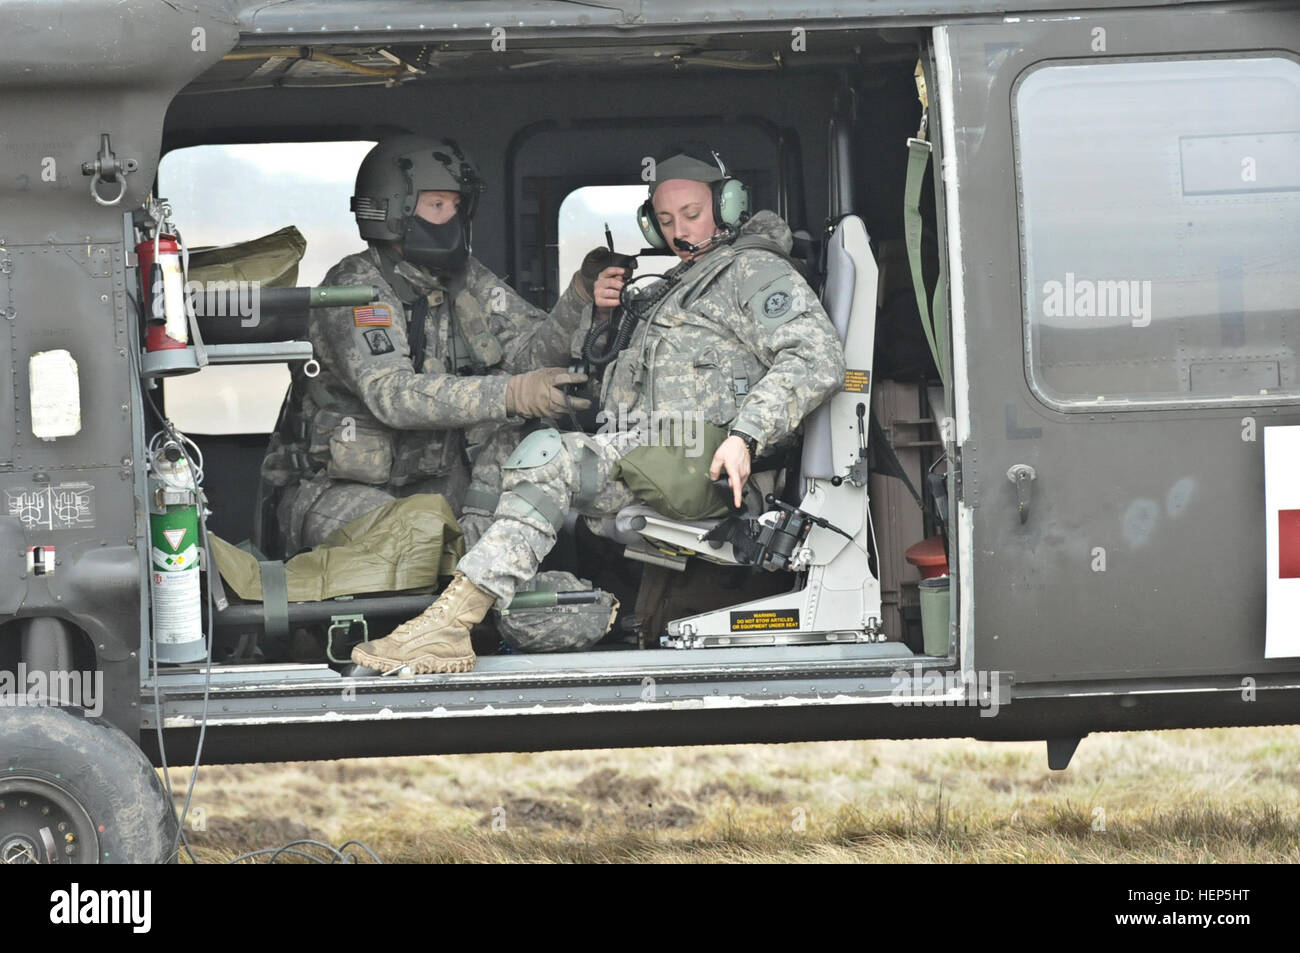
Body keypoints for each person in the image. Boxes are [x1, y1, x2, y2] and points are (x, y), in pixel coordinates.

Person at [351, 146, 847, 674]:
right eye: (666, 220)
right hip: (656, 452)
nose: (681, 232)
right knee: (515, 442)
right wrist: (598, 309)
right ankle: (499, 616)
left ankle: (449, 626)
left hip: (707, 460)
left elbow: (816, 356)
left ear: (726, 207)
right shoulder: (678, 284)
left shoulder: (751, 271)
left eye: (693, 214)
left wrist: (746, 435)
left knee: (549, 460)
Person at [264, 134, 600, 555]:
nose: (452, 217)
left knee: (515, 534)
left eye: (457, 206)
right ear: (393, 209)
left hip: (439, 487)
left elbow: (528, 355)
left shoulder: (464, 277)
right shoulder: (356, 287)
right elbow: (392, 394)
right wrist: (512, 393)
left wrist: (580, 298)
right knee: (418, 548)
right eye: (437, 205)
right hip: (338, 491)